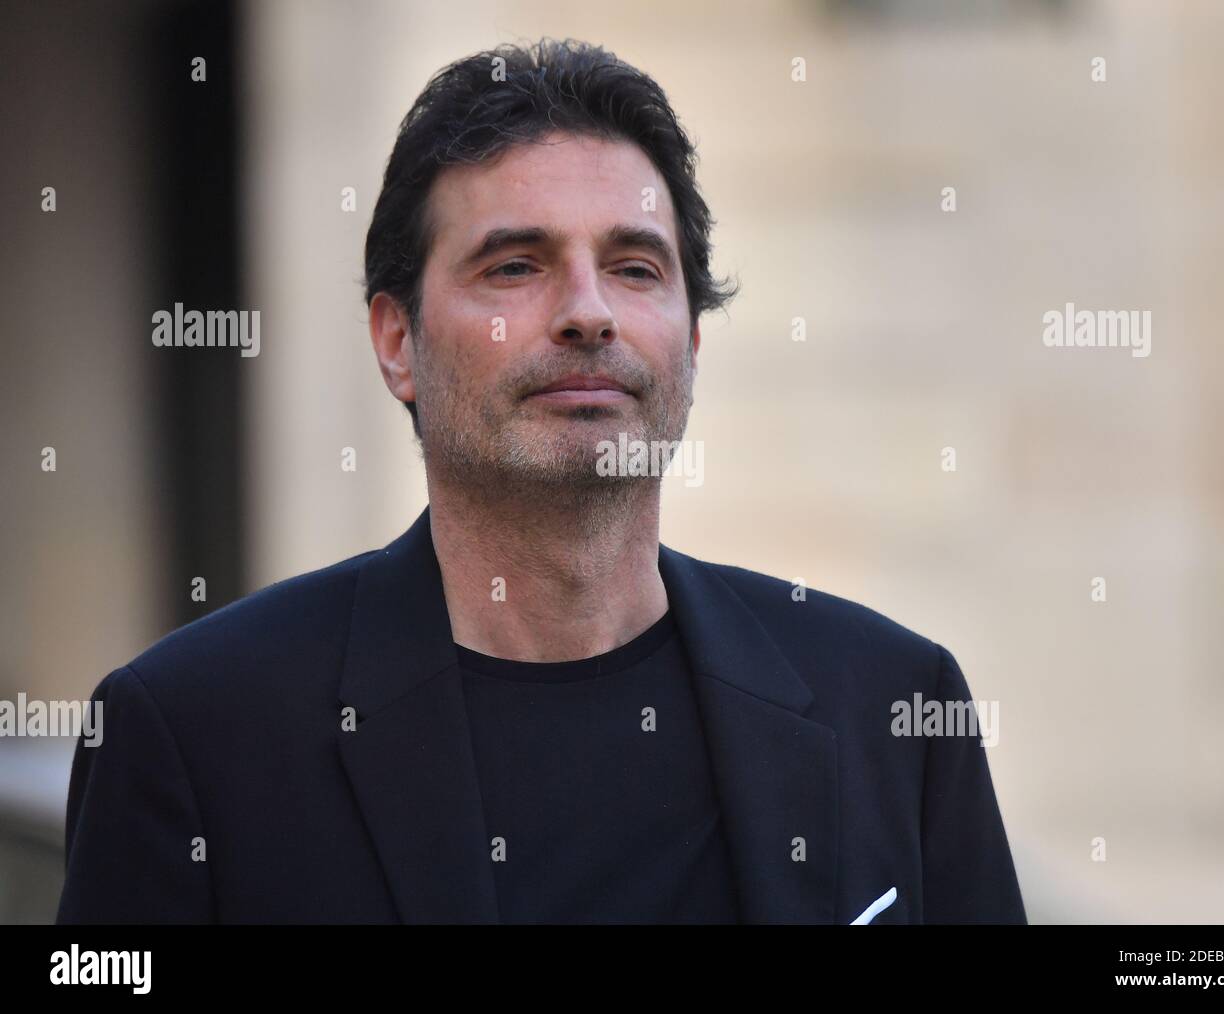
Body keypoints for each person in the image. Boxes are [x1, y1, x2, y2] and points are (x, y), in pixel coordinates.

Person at [57, 37, 1026, 925]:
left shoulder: (892, 704)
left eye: (636, 267)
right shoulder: (197, 733)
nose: (588, 314)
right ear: (397, 343)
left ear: (690, 336)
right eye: (517, 265)